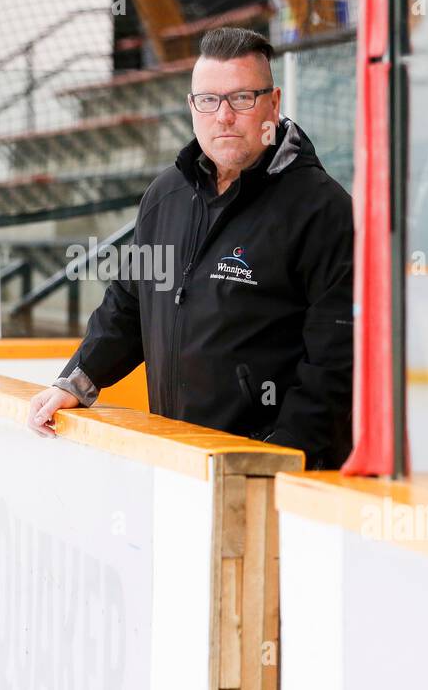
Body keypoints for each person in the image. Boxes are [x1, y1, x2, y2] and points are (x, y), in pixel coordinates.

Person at [25, 26, 354, 469]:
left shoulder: (322, 209)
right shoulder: (166, 196)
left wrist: (278, 459)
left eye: (242, 98)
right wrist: (76, 382)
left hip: (272, 474)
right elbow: (128, 303)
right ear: (191, 106)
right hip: (179, 460)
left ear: (273, 104)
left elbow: (335, 362)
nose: (224, 116)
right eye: (209, 100)